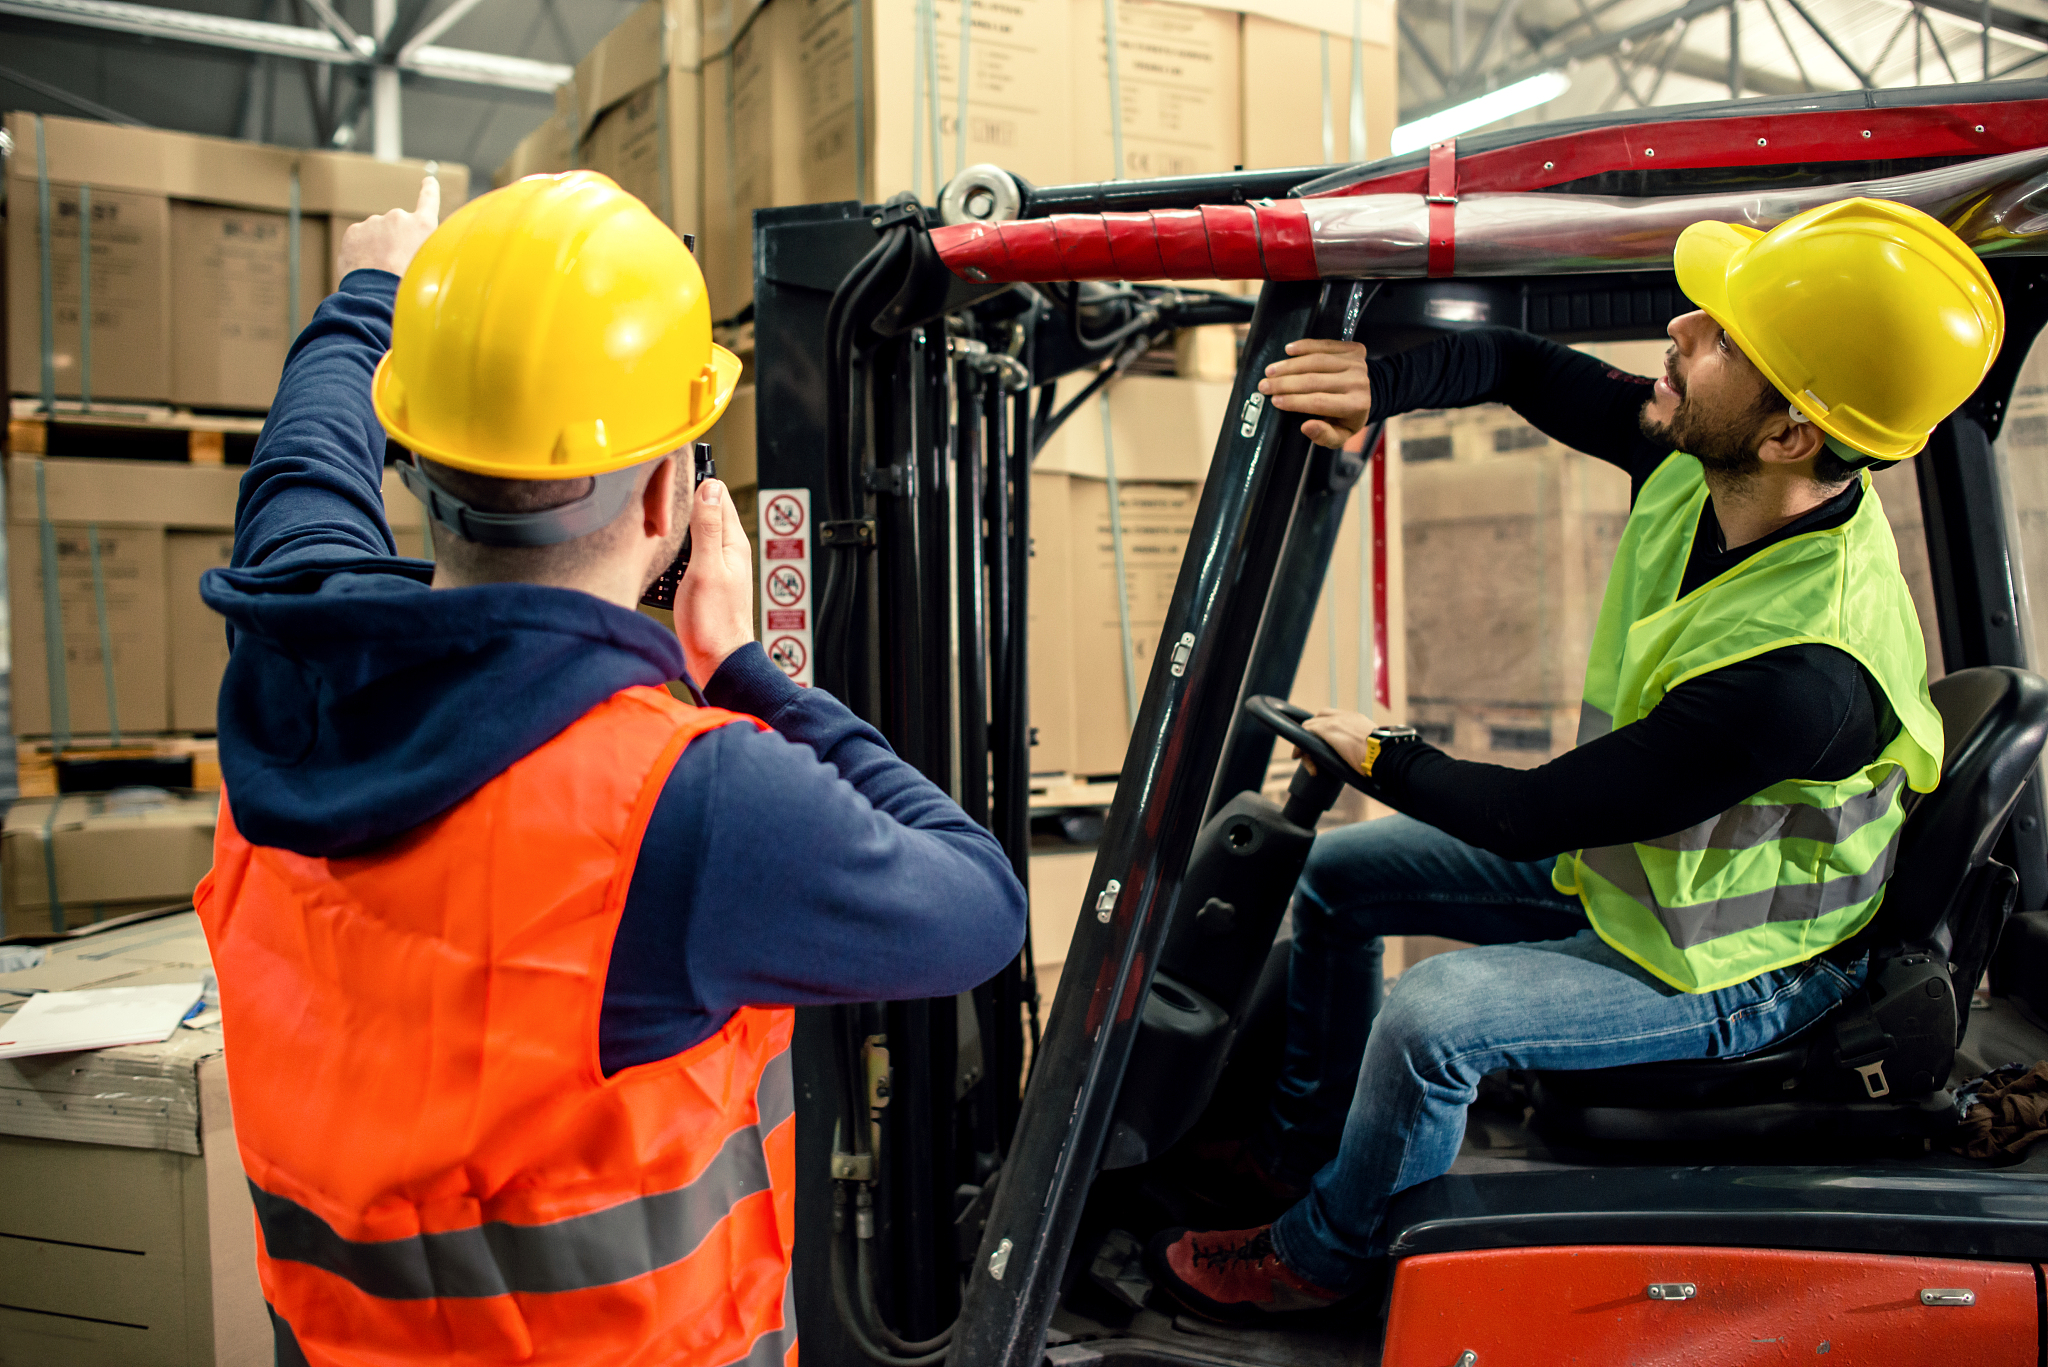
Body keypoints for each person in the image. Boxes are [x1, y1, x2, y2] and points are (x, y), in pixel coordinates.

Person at [194, 172, 1027, 1365]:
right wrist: (741, 666)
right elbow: (980, 902)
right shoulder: (686, 804)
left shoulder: (290, 656)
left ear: (414, 462)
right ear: (662, 494)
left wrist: (373, 296)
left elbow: (303, 469)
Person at [1146, 197, 2002, 1320]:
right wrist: (1378, 387)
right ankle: (1302, 1153)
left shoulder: (1801, 673)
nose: (1683, 327)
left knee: (1430, 1017)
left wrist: (1381, 753)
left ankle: (1331, 1256)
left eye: (1727, 339)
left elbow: (1529, 817)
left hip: (1740, 968)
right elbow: (1511, 361)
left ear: (1790, 433)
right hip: (1647, 877)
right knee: (1336, 875)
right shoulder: (1704, 470)